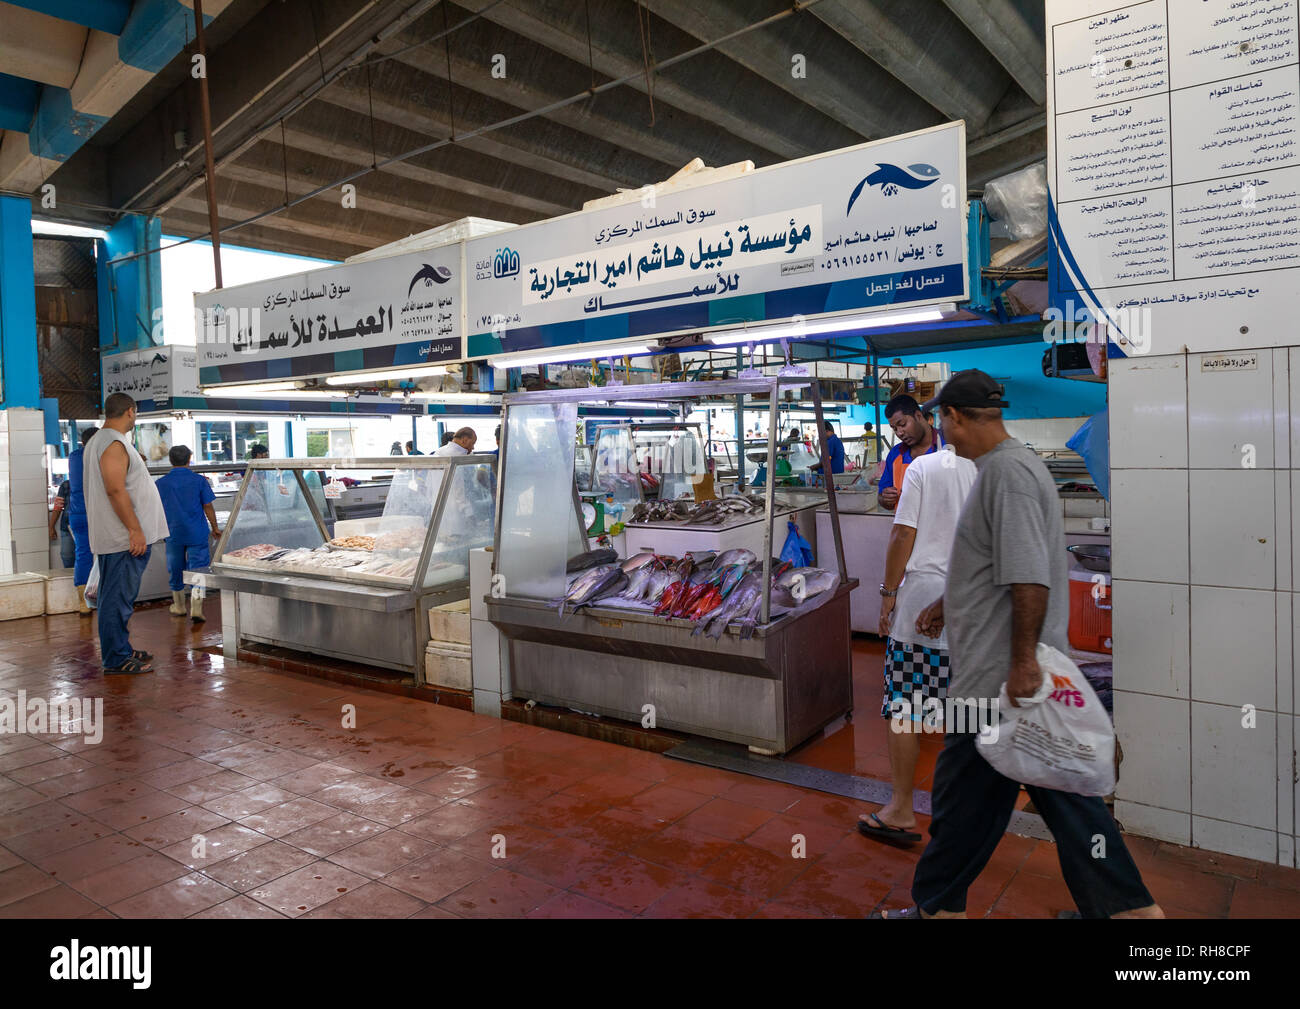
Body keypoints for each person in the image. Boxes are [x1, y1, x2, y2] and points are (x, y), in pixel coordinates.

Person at [874, 370, 1162, 919]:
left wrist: (1024, 662)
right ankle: (1124, 912)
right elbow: (997, 565)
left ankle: (1130, 914)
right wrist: (948, 602)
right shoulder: (1002, 468)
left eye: (941, 419)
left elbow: (1029, 576)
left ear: (955, 417)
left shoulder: (1006, 472)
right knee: (992, 804)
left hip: (999, 680)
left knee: (999, 803)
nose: (941, 430)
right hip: (995, 676)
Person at [858, 446, 976, 845]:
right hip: (972, 604)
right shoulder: (988, 468)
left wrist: (887, 594)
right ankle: (963, 816)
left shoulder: (922, 467)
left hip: (922, 601)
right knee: (964, 716)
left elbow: (903, 531)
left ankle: (902, 808)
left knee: (906, 707)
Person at [83, 393, 169, 675]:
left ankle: (121, 648)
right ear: (131, 412)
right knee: (116, 600)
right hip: (123, 539)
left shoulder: (102, 441)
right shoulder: (113, 442)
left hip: (120, 537)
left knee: (118, 598)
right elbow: (115, 489)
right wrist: (134, 529)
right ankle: (116, 658)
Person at [155, 445, 220, 623]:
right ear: (189, 458)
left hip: (173, 532)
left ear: (170, 460)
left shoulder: (161, 483)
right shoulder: (199, 480)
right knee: (199, 568)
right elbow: (208, 506)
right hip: (196, 532)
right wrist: (215, 527)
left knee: (175, 567)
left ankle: (179, 606)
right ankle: (197, 608)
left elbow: (156, 510)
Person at [877, 394, 942, 510]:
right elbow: (881, 497)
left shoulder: (947, 447)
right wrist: (886, 498)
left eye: (902, 424)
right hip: (905, 527)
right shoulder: (895, 454)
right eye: (894, 428)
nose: (899, 433)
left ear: (918, 416)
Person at [67, 427, 98, 614]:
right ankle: (102, 597)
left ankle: (83, 603)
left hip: (77, 513)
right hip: (97, 514)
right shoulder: (98, 456)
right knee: (108, 555)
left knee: (83, 554)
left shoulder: (74, 456)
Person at [49, 478, 75, 569]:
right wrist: (51, 527)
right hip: (67, 526)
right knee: (66, 555)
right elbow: (57, 507)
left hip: (85, 527)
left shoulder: (91, 483)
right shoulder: (65, 485)